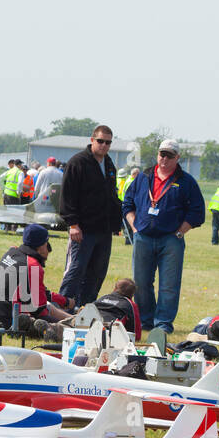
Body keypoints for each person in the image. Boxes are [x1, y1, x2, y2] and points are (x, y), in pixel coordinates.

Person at [121, 139, 204, 334]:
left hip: (171, 239)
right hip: (143, 237)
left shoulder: (186, 181)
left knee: (169, 284)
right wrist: (135, 227)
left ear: (178, 157)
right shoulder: (143, 178)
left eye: (169, 155)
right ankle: (146, 320)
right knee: (140, 282)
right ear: (157, 155)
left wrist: (179, 232)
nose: (164, 158)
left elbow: (197, 212)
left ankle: (163, 323)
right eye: (162, 154)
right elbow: (127, 204)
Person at [58, 125, 122, 307]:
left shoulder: (109, 164)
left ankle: (86, 308)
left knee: (97, 272)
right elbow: (67, 196)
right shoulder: (77, 162)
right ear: (92, 140)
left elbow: (111, 194)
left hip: (104, 229)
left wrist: (115, 221)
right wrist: (73, 224)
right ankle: (62, 307)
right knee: (76, 269)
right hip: (83, 229)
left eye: (108, 142)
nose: (104, 145)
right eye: (100, 141)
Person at [0, 224, 72, 340]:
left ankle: (74, 319)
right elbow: (39, 310)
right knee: (58, 323)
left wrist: (64, 301)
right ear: (41, 246)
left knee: (49, 305)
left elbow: (39, 291)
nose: (49, 249)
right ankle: (73, 325)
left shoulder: (12, 252)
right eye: (47, 244)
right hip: (10, 322)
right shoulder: (33, 265)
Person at [118, 165, 141, 244]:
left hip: (125, 203)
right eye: (137, 174)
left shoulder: (129, 180)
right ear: (134, 174)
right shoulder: (131, 182)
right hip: (128, 205)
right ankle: (129, 240)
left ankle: (130, 239)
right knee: (129, 224)